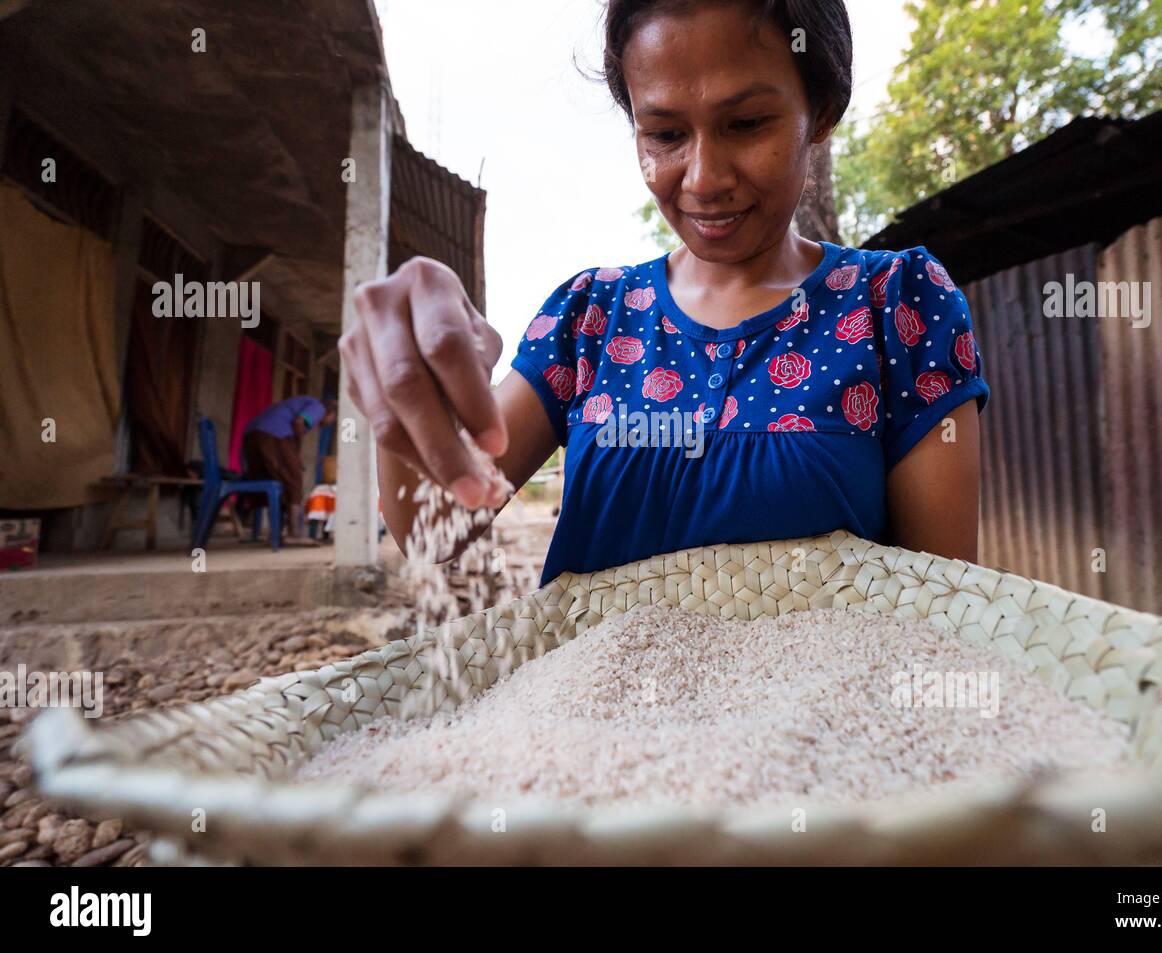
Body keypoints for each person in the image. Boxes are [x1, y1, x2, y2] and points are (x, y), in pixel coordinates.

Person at [340, 0, 989, 582]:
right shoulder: (591, 318)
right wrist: (404, 391)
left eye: (747, 123)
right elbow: (434, 533)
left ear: (820, 113)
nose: (703, 179)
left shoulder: (898, 305)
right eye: (666, 135)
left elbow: (937, 607)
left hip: (824, 714)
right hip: (591, 713)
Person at [242, 395, 337, 545]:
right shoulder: (319, 407)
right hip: (274, 434)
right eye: (334, 419)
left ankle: (275, 534)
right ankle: (294, 533)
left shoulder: (300, 402)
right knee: (294, 479)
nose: (331, 423)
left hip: (251, 436)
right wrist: (296, 452)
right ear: (331, 413)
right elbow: (299, 422)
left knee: (274, 482)